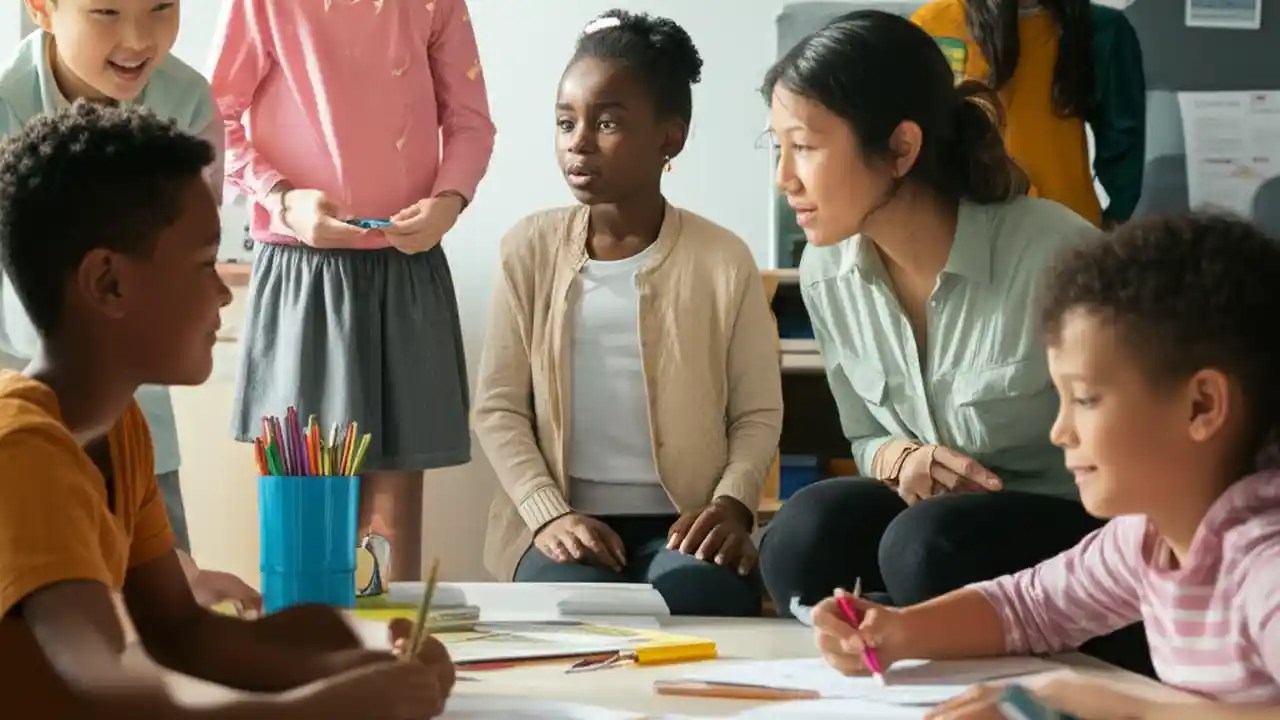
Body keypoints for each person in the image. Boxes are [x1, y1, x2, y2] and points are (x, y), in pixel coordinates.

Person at [0, 102, 456, 718]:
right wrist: (323, 708)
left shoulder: (120, 428)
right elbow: (108, 688)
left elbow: (184, 633)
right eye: (202, 263)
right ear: (108, 283)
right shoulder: (23, 450)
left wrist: (369, 667)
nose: (221, 292)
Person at [755, 9, 1151, 671]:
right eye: (778, 148)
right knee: (802, 532)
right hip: (939, 521)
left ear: (902, 150)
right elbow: (865, 434)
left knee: (925, 546)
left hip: (1084, 533)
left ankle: (929, 624)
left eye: (808, 147)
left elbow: (1152, 453)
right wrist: (899, 458)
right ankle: (890, 634)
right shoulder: (829, 270)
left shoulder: (1058, 257)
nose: (784, 178)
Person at [811, 214, 1280, 715]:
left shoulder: (1263, 566)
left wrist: (1119, 708)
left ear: (1201, 407)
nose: (1061, 431)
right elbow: (1028, 607)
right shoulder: (1147, 538)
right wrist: (898, 631)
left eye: (1085, 399)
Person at [473, 10, 782, 617]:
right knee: (570, 602)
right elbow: (499, 407)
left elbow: (757, 413)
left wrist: (730, 506)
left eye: (607, 122)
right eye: (566, 122)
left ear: (670, 138)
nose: (579, 141)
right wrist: (547, 513)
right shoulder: (526, 249)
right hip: (566, 518)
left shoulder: (723, 259)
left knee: (702, 594)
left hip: (685, 522)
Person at [210, 0, 496, 582]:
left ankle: (391, 663)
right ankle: (306, 657)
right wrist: (284, 199)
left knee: (388, 543)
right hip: (300, 274)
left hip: (404, 271)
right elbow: (216, 117)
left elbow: (470, 122)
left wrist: (448, 203)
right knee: (302, 510)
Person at [0, 0, 258, 612]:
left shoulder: (189, 104)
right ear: (42, 8)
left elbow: (183, 263)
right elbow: (103, 668)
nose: (139, 38)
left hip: (127, 406)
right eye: (107, 12)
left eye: (162, 7)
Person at [912, 0, 1146, 227]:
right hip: (964, 231)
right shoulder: (935, 24)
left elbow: (1123, 138)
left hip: (1064, 233)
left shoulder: (1100, 29)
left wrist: (1113, 223)